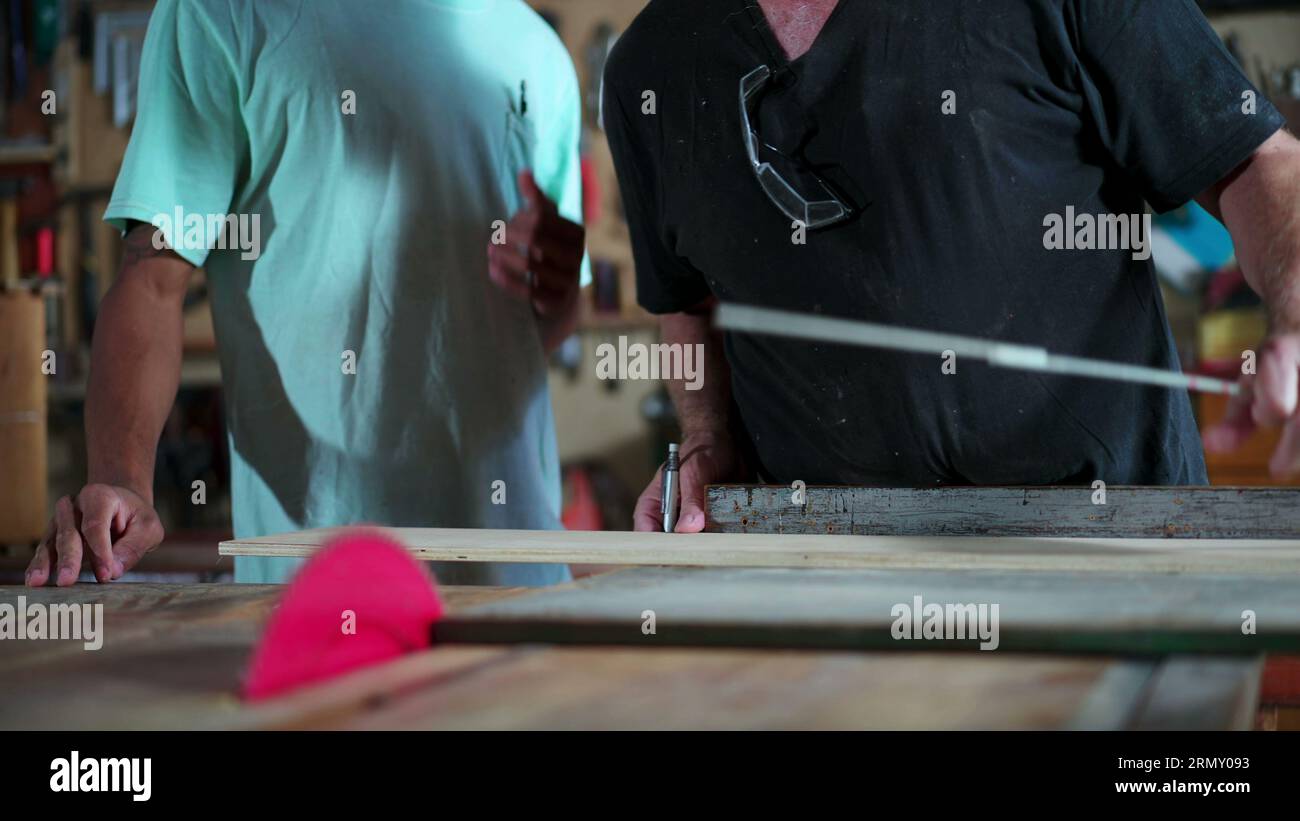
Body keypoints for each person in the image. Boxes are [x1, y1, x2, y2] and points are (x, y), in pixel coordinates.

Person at [602, 0, 1300, 532]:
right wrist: (706, 437)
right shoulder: (645, 70)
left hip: (1112, 550)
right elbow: (687, 300)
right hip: (824, 579)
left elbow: (1256, 162)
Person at [26, 0, 587, 587]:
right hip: (320, 580)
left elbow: (536, 328)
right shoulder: (220, 13)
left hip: (520, 572)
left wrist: (558, 289)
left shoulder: (536, 50)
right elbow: (153, 282)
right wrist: (121, 480)